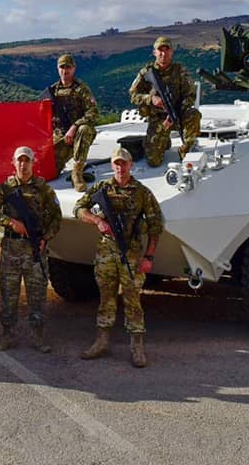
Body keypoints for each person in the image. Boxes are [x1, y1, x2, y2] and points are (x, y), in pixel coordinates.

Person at [74, 147, 162, 367]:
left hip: (131, 254)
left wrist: (149, 256)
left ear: (130, 165)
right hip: (106, 253)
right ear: (112, 165)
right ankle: (102, 341)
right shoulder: (102, 188)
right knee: (106, 297)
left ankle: (137, 346)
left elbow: (155, 226)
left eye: (124, 163)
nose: (120, 167)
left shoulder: (142, 192)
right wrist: (98, 221)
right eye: (116, 163)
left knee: (132, 299)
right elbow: (79, 208)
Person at [0, 146, 62, 353]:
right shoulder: (6, 189)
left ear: (33, 163)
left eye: (27, 161)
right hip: (11, 250)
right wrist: (10, 222)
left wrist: (46, 238)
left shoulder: (43, 189)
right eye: (19, 160)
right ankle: (7, 336)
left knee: (37, 296)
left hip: (35, 251)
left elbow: (56, 218)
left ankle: (38, 336)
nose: (23, 165)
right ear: (13, 162)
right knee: (9, 295)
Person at [128, 36, 201, 167]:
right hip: (157, 119)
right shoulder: (147, 72)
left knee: (194, 114)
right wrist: (151, 99)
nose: (163, 54)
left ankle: (186, 150)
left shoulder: (179, 71)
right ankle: (163, 140)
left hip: (178, 114)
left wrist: (176, 112)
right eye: (160, 50)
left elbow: (190, 95)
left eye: (167, 50)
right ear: (154, 52)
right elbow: (133, 95)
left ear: (171, 52)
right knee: (153, 161)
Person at [45, 54, 99, 191]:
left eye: (68, 67)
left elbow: (93, 112)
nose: (65, 70)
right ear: (58, 69)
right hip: (61, 134)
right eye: (62, 67)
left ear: (74, 68)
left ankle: (77, 172)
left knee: (85, 129)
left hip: (79, 134)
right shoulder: (52, 91)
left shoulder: (81, 89)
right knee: (49, 172)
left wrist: (75, 126)